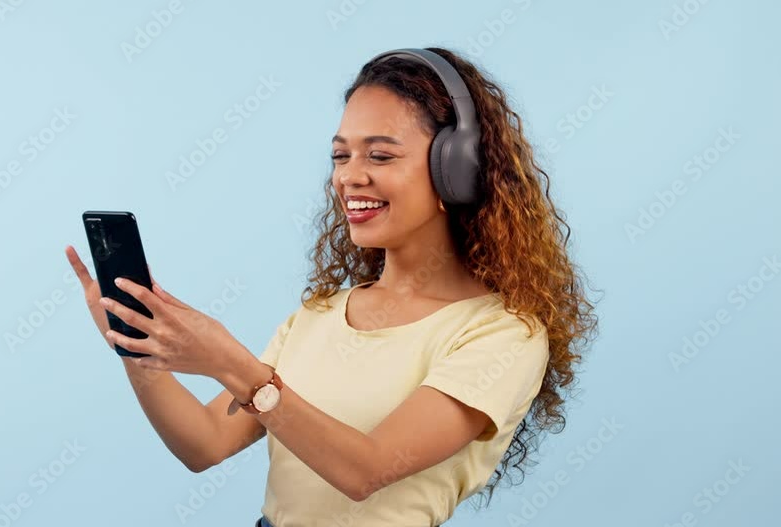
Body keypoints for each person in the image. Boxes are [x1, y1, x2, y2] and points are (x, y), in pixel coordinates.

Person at [64, 46, 599, 526]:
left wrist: (231, 362)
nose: (349, 176)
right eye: (341, 155)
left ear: (458, 172)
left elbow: (365, 471)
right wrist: (133, 341)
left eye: (381, 155)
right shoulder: (320, 313)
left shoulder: (503, 335)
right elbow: (205, 443)